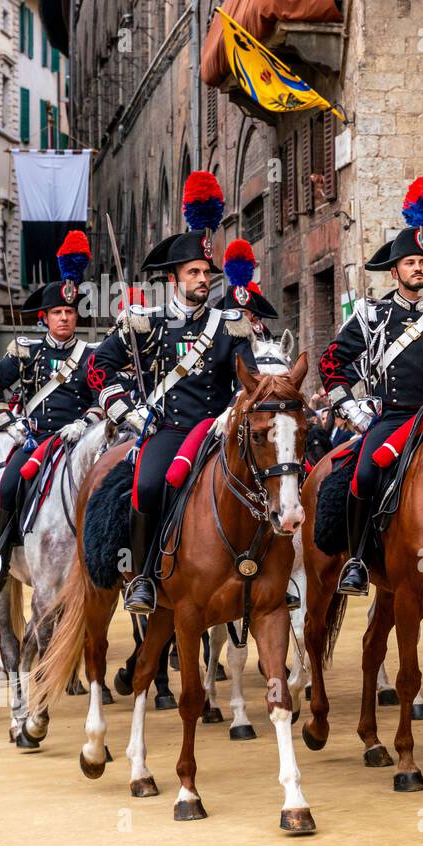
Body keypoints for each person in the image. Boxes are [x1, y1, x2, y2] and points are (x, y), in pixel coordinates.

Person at [85, 171, 260, 614]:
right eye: (194, 272)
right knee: (145, 486)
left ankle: (270, 572)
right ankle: (144, 576)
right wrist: (126, 413)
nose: (204, 279)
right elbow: (97, 368)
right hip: (166, 428)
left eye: (207, 272)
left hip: (218, 428)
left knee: (266, 479)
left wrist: (237, 410)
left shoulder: (231, 323)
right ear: (173, 278)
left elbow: (250, 379)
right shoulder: (145, 322)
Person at [318, 178, 423, 597]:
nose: (418, 268)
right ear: (395, 270)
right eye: (410, 262)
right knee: (364, 476)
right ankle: (356, 560)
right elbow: (330, 362)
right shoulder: (372, 315)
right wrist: (351, 410)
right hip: (391, 419)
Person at [0, 232, 105, 589]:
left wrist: (86, 422)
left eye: (70, 312)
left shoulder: (92, 356)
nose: (64, 318)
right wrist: (8, 423)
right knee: (9, 486)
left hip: (78, 441)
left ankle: (117, 561)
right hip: (35, 441)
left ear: (77, 316)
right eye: (57, 312)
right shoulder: (26, 351)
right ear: (44, 317)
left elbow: (103, 395)